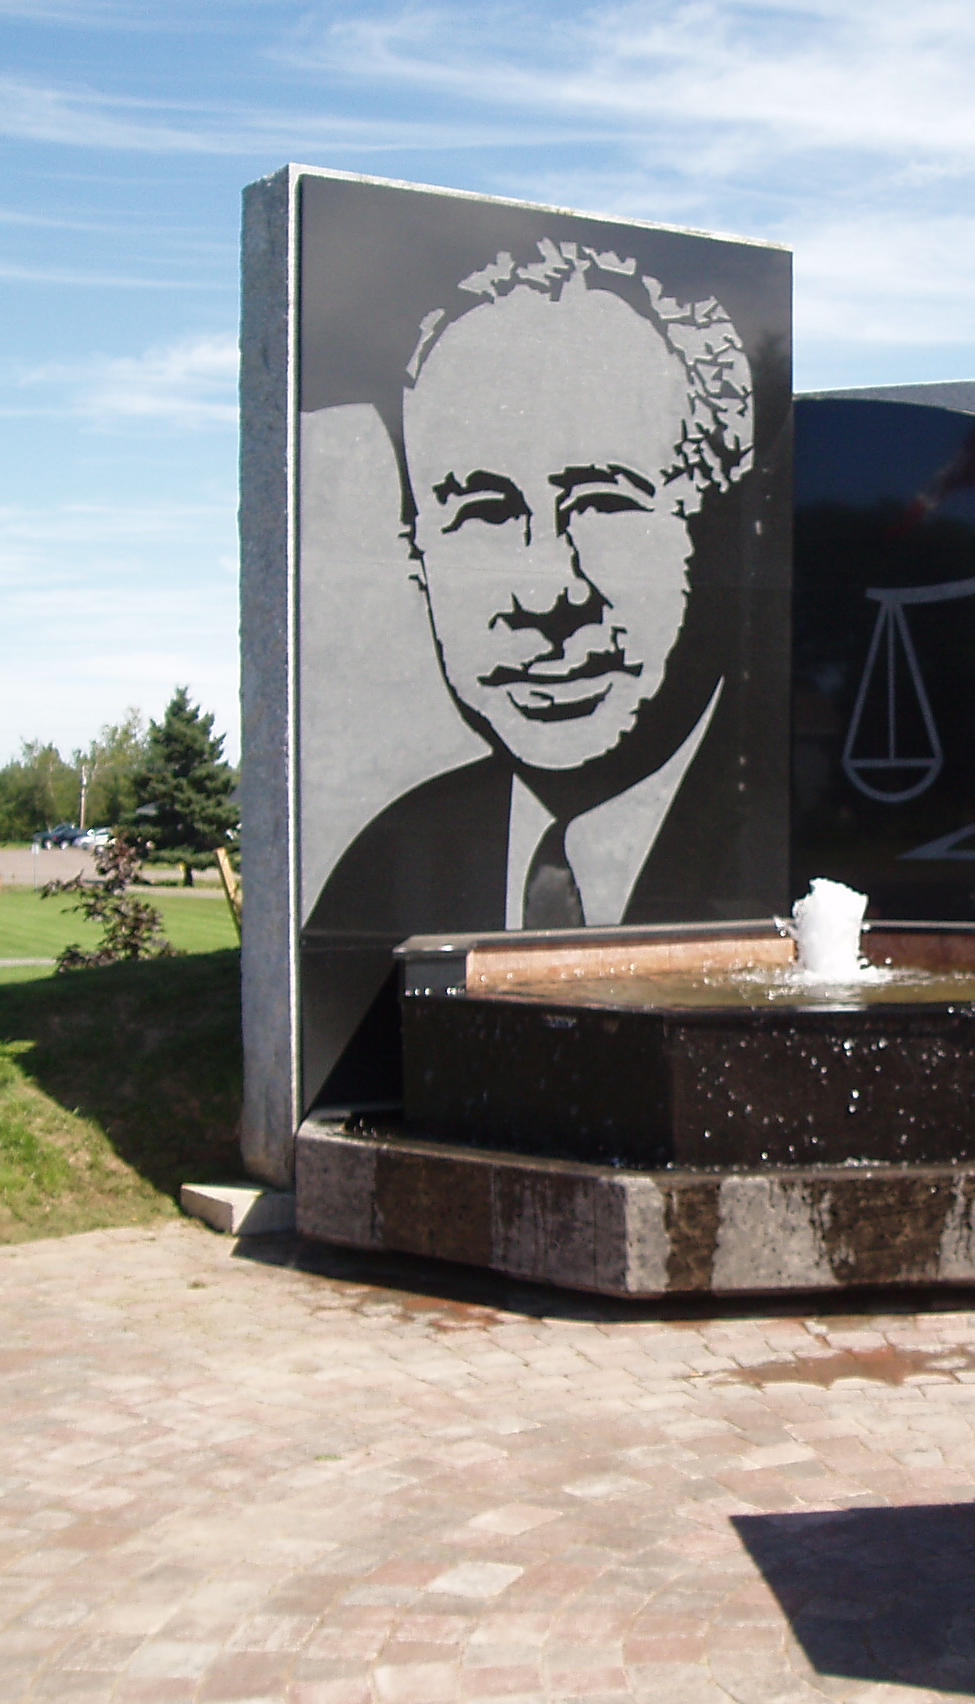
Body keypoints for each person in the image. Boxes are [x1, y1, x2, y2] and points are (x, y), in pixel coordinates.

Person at [302, 238, 762, 1104]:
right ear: (417, 553)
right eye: (481, 510)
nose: (544, 592)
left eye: (604, 500)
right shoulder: (387, 862)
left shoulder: (781, 837)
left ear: (719, 523)